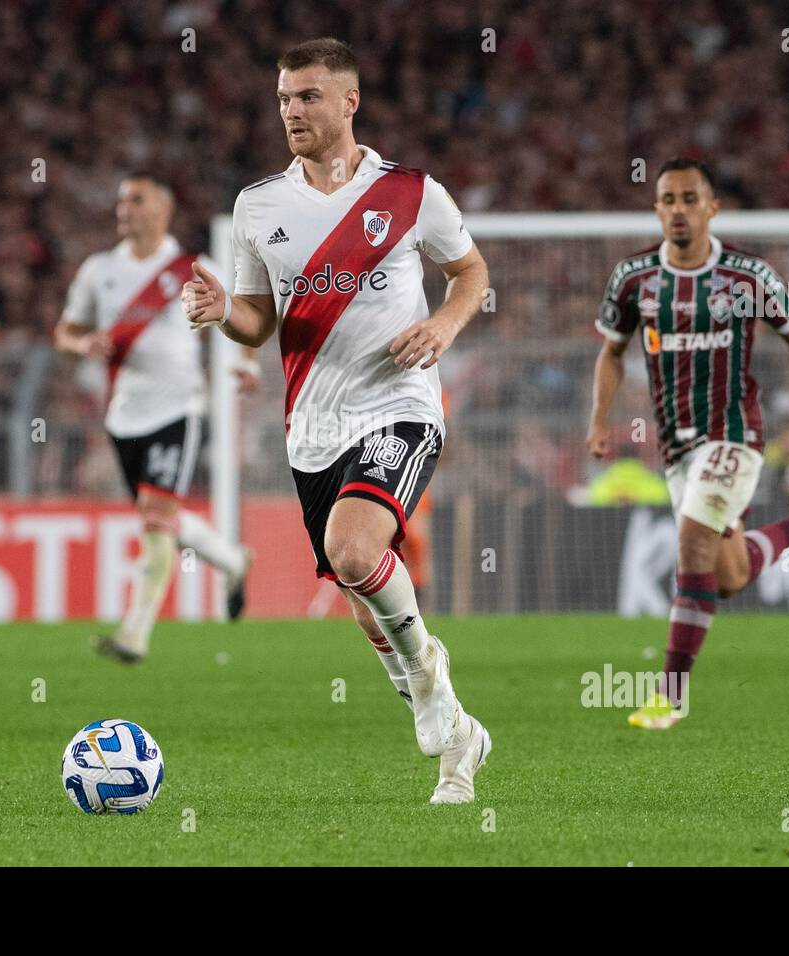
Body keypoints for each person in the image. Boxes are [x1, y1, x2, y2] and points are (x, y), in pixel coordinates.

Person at [183, 38, 492, 803]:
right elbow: (257, 322)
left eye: (308, 96)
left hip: (400, 403)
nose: (292, 110)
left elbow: (470, 273)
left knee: (354, 552)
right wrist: (227, 312)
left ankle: (429, 688)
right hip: (312, 426)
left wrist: (447, 327)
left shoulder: (412, 192)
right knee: (364, 603)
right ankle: (456, 729)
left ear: (349, 102)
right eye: (285, 97)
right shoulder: (258, 205)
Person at [587, 158, 789, 729]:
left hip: (735, 435)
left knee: (692, 546)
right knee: (729, 576)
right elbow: (612, 353)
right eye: (668, 199)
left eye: (691, 198)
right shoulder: (633, 278)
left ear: (712, 207)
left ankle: (669, 694)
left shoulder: (746, 276)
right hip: (677, 446)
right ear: (657, 208)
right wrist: (599, 419)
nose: (679, 209)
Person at [55, 173, 256, 664]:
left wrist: (247, 367)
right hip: (123, 414)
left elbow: (240, 317)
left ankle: (135, 633)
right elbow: (65, 330)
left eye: (136, 200)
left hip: (178, 409)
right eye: (122, 199)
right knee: (159, 519)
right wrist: (83, 344)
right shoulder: (98, 270)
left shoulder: (192, 269)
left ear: (163, 210)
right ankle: (232, 560)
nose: (124, 208)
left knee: (155, 518)